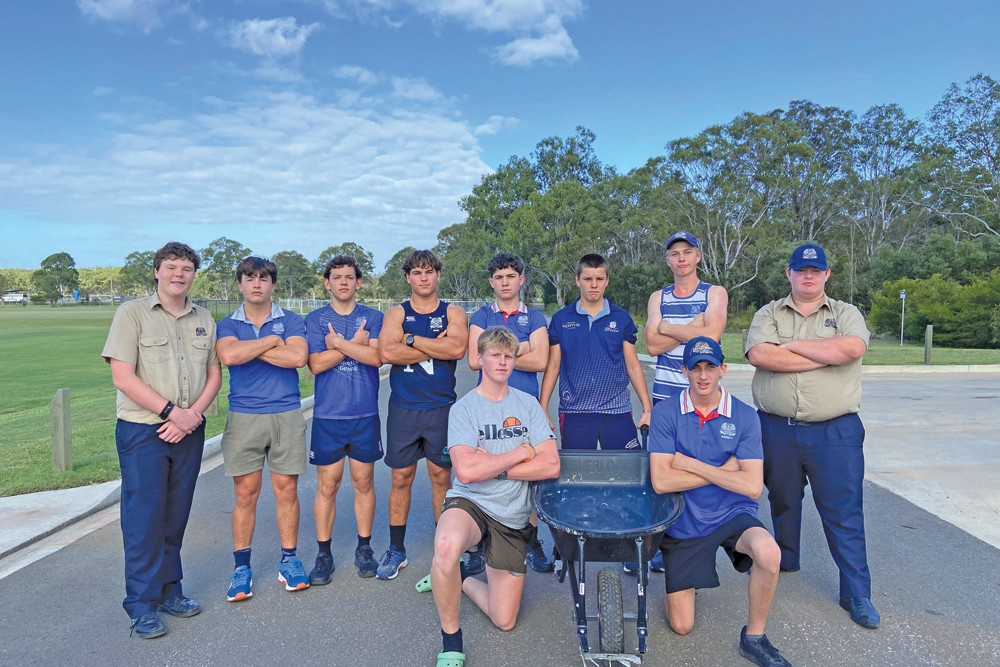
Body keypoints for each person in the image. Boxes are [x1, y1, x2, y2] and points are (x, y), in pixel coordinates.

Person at [745, 243, 878, 629]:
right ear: (789, 273)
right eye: (801, 270)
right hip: (777, 428)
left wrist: (789, 347)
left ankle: (856, 592)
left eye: (815, 271)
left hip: (835, 432)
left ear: (826, 275)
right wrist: (826, 354)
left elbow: (852, 348)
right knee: (783, 499)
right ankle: (785, 557)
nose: (808, 276)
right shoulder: (769, 313)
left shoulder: (845, 313)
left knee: (844, 512)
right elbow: (760, 355)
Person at [102, 241, 222, 639]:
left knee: (175, 515)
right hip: (144, 431)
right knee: (144, 519)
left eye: (186, 269)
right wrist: (172, 413)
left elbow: (214, 374)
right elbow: (122, 376)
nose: (178, 274)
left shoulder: (203, 317)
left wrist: (190, 417)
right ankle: (141, 605)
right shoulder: (131, 313)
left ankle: (171, 590)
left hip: (189, 429)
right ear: (157, 271)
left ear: (193, 275)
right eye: (171, 267)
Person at [649, 336, 791, 666]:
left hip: (732, 512)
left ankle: (754, 638)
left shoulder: (744, 415)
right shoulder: (666, 412)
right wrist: (724, 470)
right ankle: (685, 581)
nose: (703, 375)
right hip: (683, 519)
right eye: (695, 367)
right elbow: (661, 481)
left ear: (722, 369)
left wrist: (690, 464)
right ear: (684, 371)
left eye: (710, 367)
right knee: (681, 626)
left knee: (769, 552)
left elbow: (752, 487)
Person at [428, 327, 559, 667]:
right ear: (480, 359)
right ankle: (451, 640)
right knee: (446, 546)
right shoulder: (464, 409)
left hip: (511, 515)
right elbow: (466, 472)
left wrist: (494, 466)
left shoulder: (527, 405)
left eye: (508, 356)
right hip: (470, 502)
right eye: (495, 355)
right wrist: (521, 453)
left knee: (504, 620)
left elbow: (551, 464)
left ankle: (461, 578)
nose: (502, 362)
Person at [215, 257, 309, 602]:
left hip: (286, 412)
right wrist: (273, 341)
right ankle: (242, 568)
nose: (257, 284)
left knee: (287, 490)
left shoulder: (293, 320)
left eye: (263, 278)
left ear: (273, 284)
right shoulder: (227, 324)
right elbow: (229, 357)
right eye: (250, 278)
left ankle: (289, 560)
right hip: (244, 416)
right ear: (240, 283)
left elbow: (297, 359)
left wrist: (250, 349)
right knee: (245, 494)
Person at [640, 230, 728, 576]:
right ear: (667, 260)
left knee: (700, 472)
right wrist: (694, 327)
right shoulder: (658, 297)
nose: (681, 258)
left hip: (704, 398)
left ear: (698, 256)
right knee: (665, 475)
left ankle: (699, 547)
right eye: (674, 253)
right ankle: (662, 547)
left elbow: (712, 335)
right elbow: (651, 346)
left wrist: (666, 326)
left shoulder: (714, 293)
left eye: (687, 252)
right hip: (666, 399)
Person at [378, 250, 469, 580]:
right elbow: (387, 352)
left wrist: (411, 339)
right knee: (400, 477)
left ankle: (444, 548)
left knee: (441, 477)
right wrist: (433, 345)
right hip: (404, 408)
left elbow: (457, 349)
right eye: (417, 272)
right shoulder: (396, 313)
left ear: (438, 275)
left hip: (440, 409)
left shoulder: (453, 312)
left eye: (429, 271)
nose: (424, 277)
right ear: (408, 278)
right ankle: (396, 549)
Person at [467, 252, 552, 573]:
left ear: (521, 280)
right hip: (486, 408)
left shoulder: (535, 317)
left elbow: (541, 361)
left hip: (524, 407)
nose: (505, 282)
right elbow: (474, 360)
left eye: (511, 277)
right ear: (492, 282)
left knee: (528, 474)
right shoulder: (481, 316)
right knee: (485, 470)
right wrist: (523, 347)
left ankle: (530, 541)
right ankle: (480, 544)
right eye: (499, 277)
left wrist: (498, 355)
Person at [304, 255, 385, 583]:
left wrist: (336, 344)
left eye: (349, 277)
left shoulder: (373, 317)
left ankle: (364, 548)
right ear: (327, 283)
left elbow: (376, 357)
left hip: (364, 414)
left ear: (358, 282)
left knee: (364, 482)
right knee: (328, 485)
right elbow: (316, 364)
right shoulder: (315, 319)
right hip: (329, 416)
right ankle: (324, 553)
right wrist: (352, 346)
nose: (343, 282)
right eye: (336, 277)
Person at [540, 253, 652, 450]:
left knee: (626, 468)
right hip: (574, 410)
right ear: (577, 280)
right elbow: (554, 366)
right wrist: (542, 409)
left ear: (607, 281)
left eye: (599, 279)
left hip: (617, 409)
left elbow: (633, 365)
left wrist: (647, 409)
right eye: (587, 279)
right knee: (577, 470)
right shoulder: (561, 319)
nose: (594, 285)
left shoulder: (622, 318)